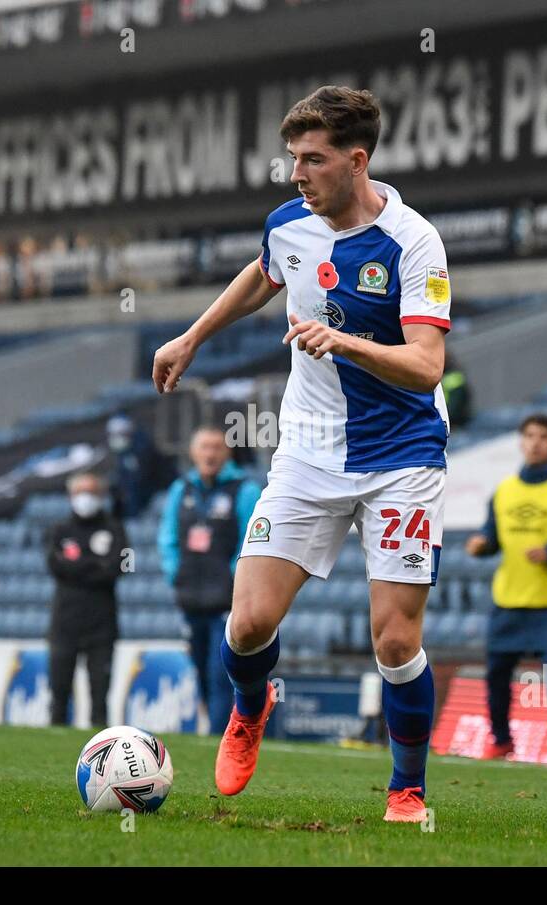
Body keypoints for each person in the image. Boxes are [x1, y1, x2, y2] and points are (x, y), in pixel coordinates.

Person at [151, 85, 452, 822]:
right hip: (309, 451)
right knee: (247, 623)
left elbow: (427, 365)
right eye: (292, 158)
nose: (296, 174)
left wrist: (344, 340)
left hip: (403, 455)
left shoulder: (414, 242)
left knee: (393, 639)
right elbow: (264, 272)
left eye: (311, 160)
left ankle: (407, 787)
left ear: (357, 161)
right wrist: (193, 337)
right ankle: (250, 709)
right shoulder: (291, 223)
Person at [465, 414, 547, 766]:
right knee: (495, 676)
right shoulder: (506, 489)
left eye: (543, 437)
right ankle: (500, 740)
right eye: (528, 435)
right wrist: (482, 544)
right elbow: (493, 537)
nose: (535, 443)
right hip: (509, 597)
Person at [157, 426, 262, 733]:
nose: (210, 453)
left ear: (227, 452)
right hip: (190, 598)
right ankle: (213, 730)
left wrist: (234, 578)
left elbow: (250, 538)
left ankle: (220, 736)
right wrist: (175, 572)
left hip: (227, 601)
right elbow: (168, 536)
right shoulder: (182, 489)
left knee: (221, 673)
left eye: (216, 447)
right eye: (204, 447)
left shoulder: (245, 489)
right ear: (193, 452)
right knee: (200, 670)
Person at [44, 470, 129, 728]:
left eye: (91, 492)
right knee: (59, 691)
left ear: (101, 495)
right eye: (80, 492)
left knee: (100, 694)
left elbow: (118, 567)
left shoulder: (114, 528)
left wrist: (77, 565)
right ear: (71, 496)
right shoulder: (59, 530)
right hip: (64, 623)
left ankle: (101, 747)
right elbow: (54, 565)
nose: (85, 498)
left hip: (101, 624)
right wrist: (95, 566)